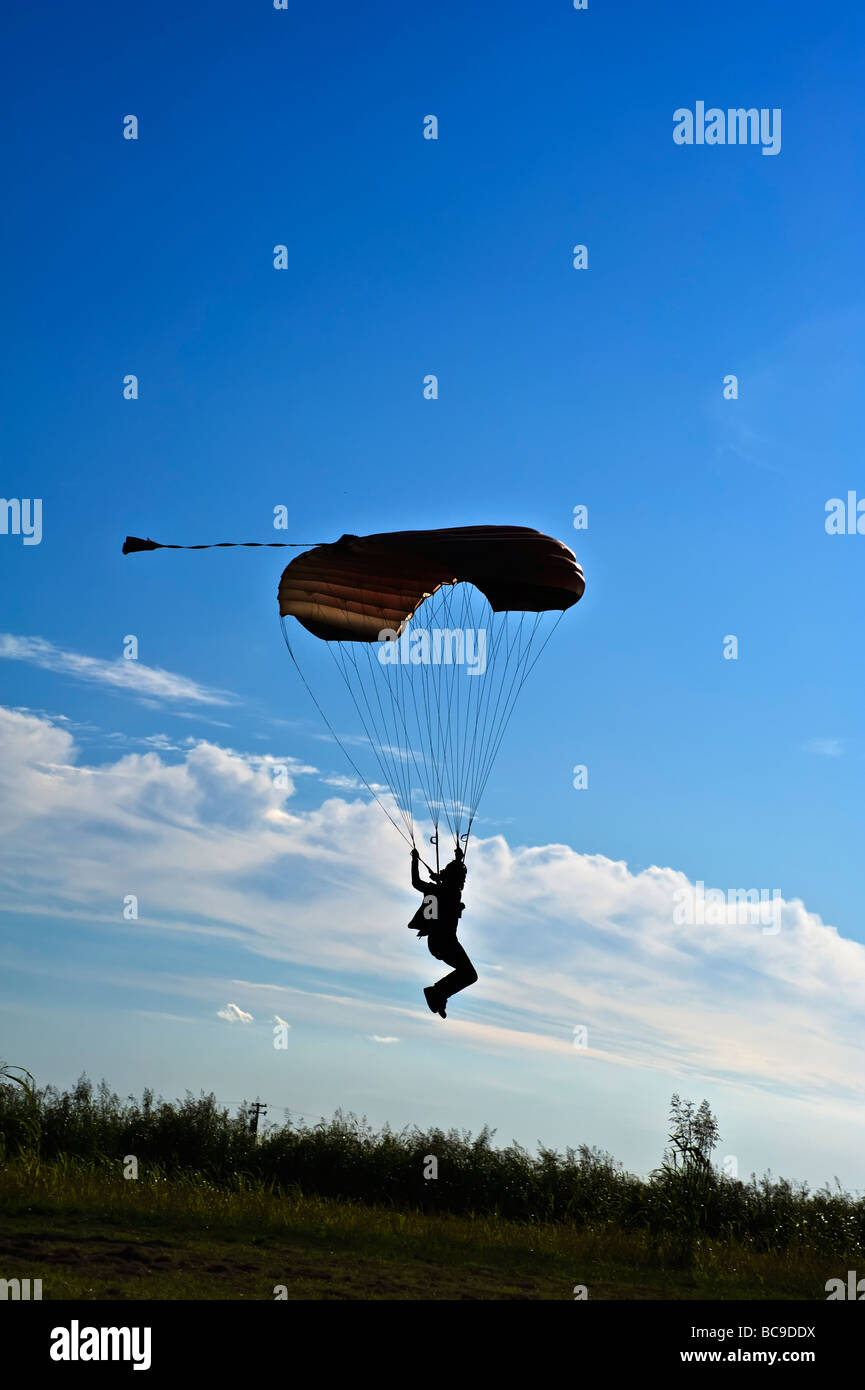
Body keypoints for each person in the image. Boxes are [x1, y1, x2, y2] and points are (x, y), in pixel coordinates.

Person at [409, 845, 477, 1019]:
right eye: (462, 878)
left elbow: (418, 882)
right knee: (469, 974)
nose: (463, 882)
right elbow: (450, 881)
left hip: (441, 941)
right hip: (443, 941)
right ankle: (436, 993)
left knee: (468, 974)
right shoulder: (450, 891)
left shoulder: (441, 889)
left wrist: (415, 860)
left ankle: (438, 994)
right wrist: (457, 860)